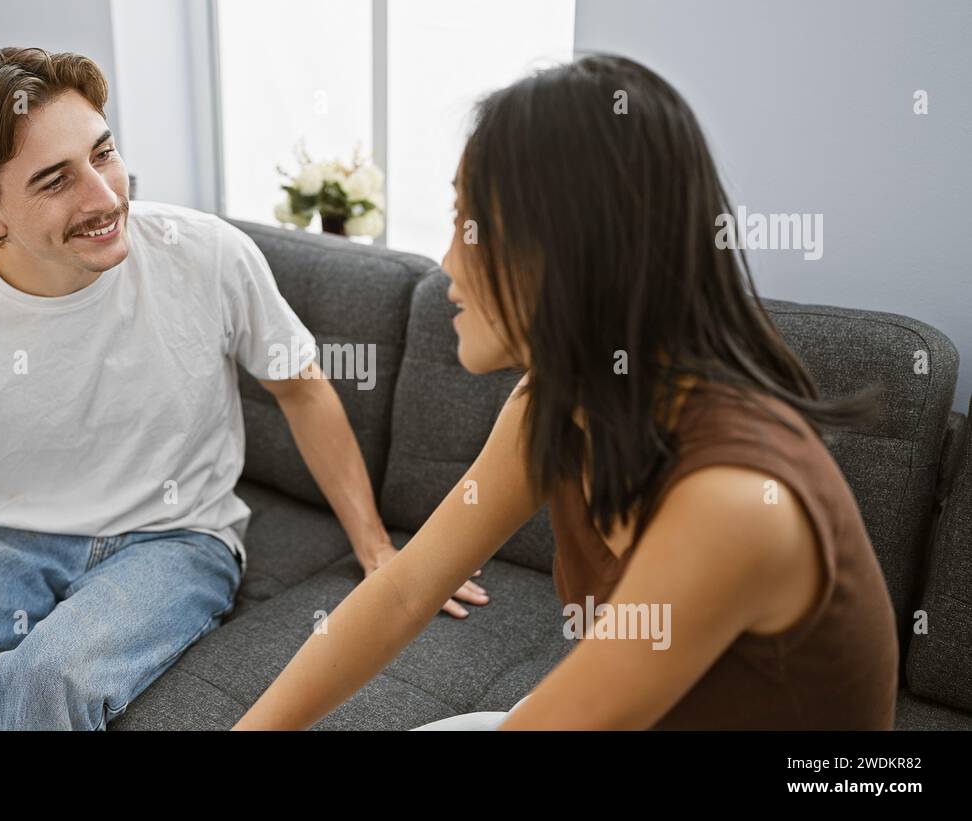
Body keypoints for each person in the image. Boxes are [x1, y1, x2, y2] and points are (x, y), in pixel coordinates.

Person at [0, 45, 486, 732]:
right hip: (8, 540)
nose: (104, 198)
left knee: (48, 677)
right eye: (54, 181)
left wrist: (376, 548)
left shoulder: (206, 254)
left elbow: (303, 390)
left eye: (103, 154)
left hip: (177, 539)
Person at [233, 54, 900, 731]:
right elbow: (403, 592)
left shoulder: (731, 503)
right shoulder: (553, 404)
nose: (446, 261)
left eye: (471, 224)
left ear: (570, 247)